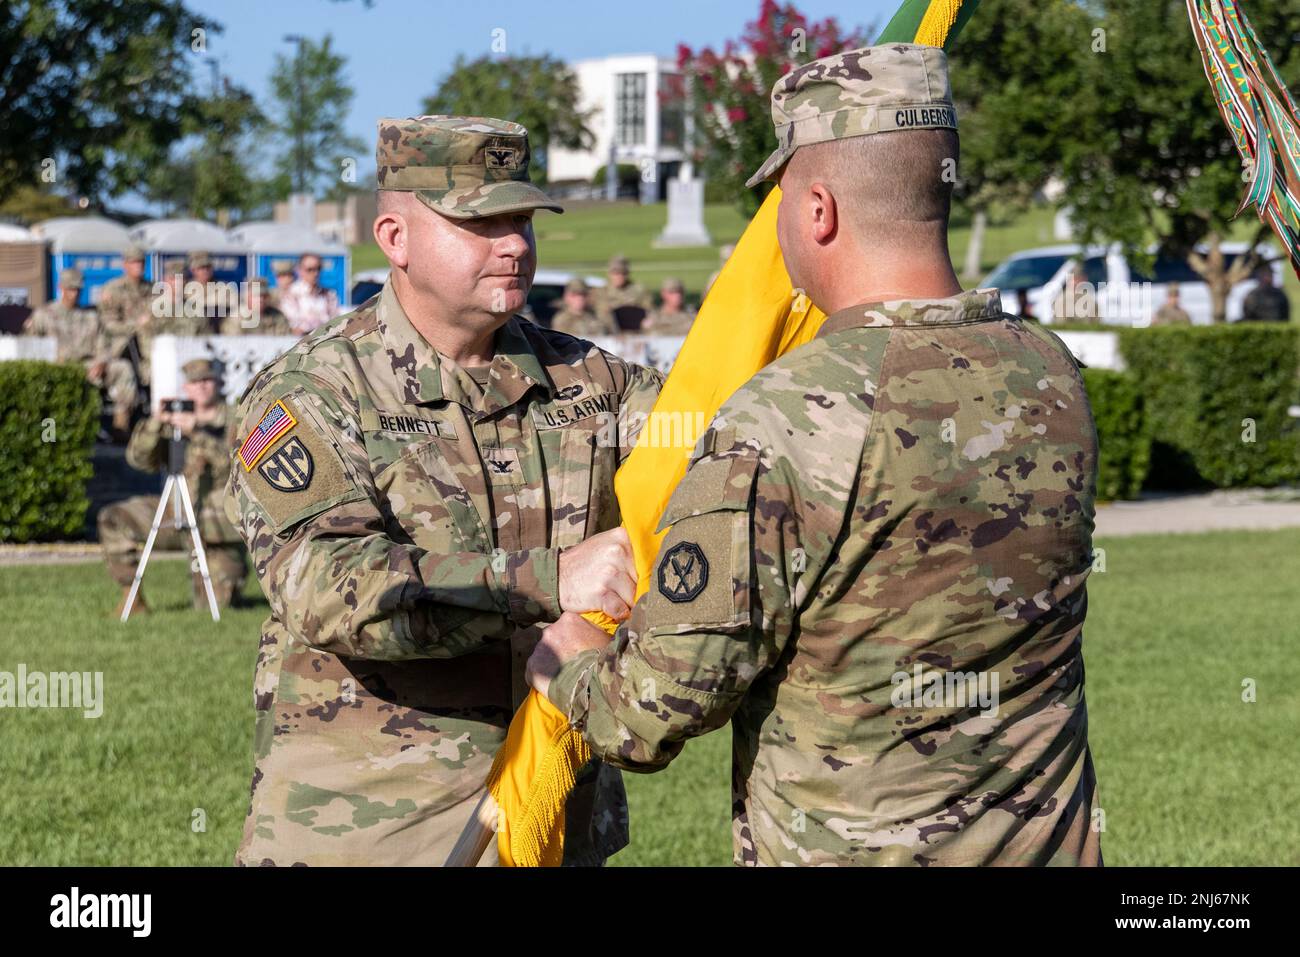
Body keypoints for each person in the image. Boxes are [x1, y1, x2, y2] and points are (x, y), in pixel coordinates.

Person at [527, 43, 1103, 867]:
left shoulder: (781, 418)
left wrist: (570, 664)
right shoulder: (1055, 378)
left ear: (818, 210)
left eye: (780, 202)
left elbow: (651, 708)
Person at [225, 114, 664, 867]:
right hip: (372, 832)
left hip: (549, 820)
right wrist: (551, 578)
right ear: (394, 237)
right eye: (481, 222)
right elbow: (334, 589)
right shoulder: (314, 393)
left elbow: (730, 450)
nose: (516, 245)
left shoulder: (591, 383)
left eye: (522, 219)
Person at [98, 358, 247, 617]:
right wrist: (155, 424)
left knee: (218, 605)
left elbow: (235, 464)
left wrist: (197, 432)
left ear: (218, 383)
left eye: (206, 381)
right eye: (194, 382)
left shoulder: (235, 417)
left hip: (215, 521)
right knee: (113, 518)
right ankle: (131, 598)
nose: (201, 387)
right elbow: (140, 460)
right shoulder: (174, 421)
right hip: (173, 510)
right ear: (185, 388)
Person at [96, 245, 152, 433]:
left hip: (148, 347)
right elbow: (108, 325)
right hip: (122, 347)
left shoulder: (152, 289)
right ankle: (121, 428)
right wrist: (136, 325)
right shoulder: (113, 289)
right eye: (134, 262)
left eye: (141, 262)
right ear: (125, 264)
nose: (139, 266)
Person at [278, 253, 340, 335]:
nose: (315, 273)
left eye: (318, 269)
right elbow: (294, 326)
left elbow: (336, 321)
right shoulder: (291, 294)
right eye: (310, 269)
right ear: (300, 270)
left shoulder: (329, 295)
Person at [590, 254, 653, 331]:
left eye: (623, 273)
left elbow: (649, 313)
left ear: (627, 274)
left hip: (635, 334)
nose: (619, 276)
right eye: (615, 273)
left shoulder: (639, 290)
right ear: (609, 273)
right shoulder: (601, 292)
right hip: (608, 335)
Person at [220, 277, 293, 336]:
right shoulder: (236, 318)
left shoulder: (278, 317)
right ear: (248, 297)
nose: (261, 299)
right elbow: (232, 344)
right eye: (256, 295)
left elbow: (285, 340)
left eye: (264, 296)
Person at [549, 277, 615, 338]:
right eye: (574, 295)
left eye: (583, 295)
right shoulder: (561, 320)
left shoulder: (596, 317)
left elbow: (609, 338)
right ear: (567, 297)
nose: (580, 298)